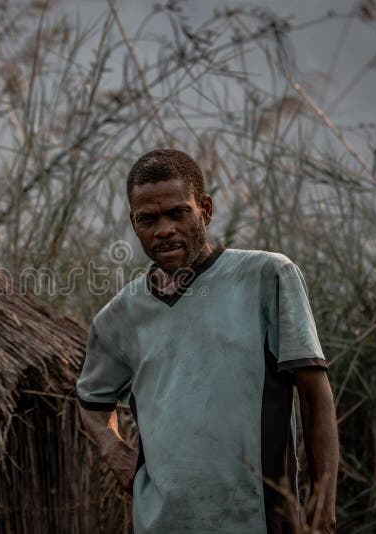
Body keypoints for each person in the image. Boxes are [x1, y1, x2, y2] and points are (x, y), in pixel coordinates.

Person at [76, 149, 338, 533]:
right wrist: (114, 451)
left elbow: (316, 395)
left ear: (206, 209)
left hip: (258, 519)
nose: (164, 229)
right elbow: (91, 402)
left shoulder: (267, 276)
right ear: (134, 223)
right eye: (148, 219)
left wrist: (323, 498)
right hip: (160, 524)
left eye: (177, 213)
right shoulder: (119, 316)